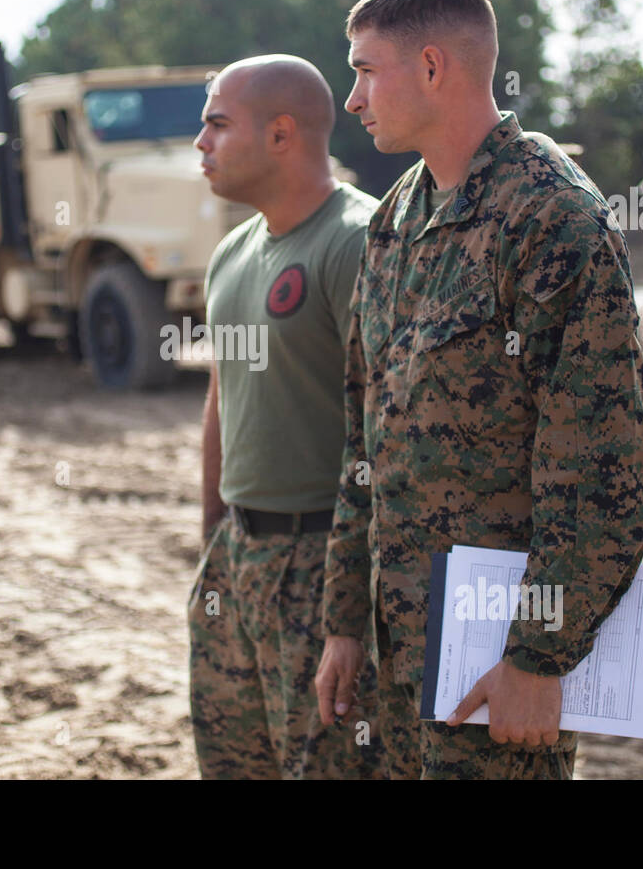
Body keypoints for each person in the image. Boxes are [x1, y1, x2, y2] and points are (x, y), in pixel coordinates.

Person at [314, 0, 643, 779]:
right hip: (401, 653)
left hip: (496, 664)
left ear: (433, 66)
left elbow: (602, 466)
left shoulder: (552, 218)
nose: (353, 100)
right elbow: (367, 438)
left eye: (365, 71)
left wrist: (542, 657)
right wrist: (345, 620)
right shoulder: (398, 217)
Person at [188, 54, 384, 778]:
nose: (199, 144)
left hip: (321, 565)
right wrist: (214, 534)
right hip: (238, 555)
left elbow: (386, 429)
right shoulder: (231, 254)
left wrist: (350, 608)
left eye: (215, 123)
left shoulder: (359, 242)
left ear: (280, 135)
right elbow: (224, 394)